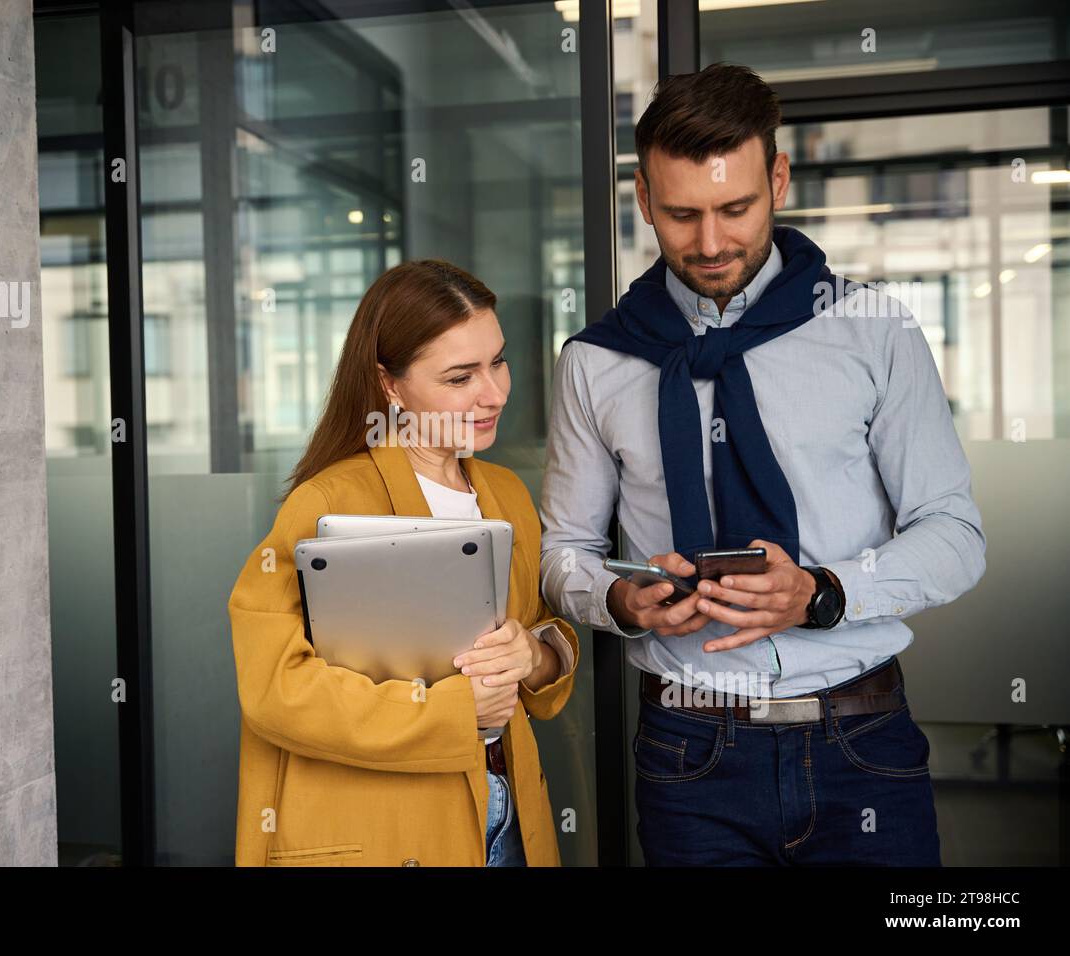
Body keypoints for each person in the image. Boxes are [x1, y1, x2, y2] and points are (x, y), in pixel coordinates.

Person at [539, 63, 985, 865]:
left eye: (735, 208)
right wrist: (619, 599)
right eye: (681, 215)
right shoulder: (595, 361)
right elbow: (561, 549)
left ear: (777, 178)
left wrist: (821, 591)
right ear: (643, 199)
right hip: (689, 751)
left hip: (863, 746)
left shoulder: (874, 332)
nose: (711, 244)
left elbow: (953, 534)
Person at [229, 259, 579, 866]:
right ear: (390, 386)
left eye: (497, 361)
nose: (493, 392)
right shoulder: (328, 503)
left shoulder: (508, 495)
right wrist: (449, 711)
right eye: (459, 377)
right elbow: (274, 688)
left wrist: (535, 653)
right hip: (390, 825)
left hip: (505, 806)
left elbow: (539, 646)